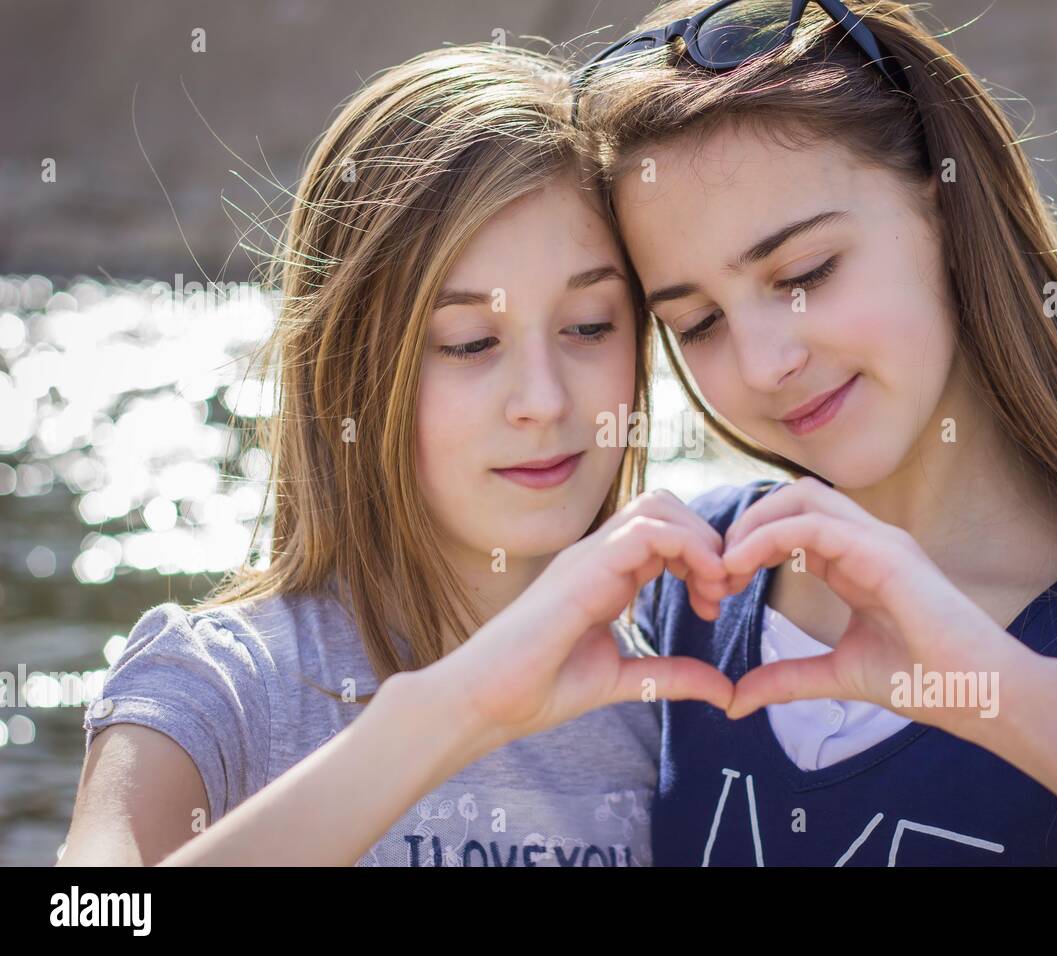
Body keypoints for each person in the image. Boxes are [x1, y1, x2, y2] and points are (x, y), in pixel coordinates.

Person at [572, 0, 1057, 864]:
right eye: (696, 324)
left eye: (806, 273)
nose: (764, 362)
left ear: (949, 214)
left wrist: (1007, 700)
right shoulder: (680, 596)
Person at [58, 43, 733, 867]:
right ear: (349, 372)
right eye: (470, 341)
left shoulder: (675, 691)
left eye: (590, 326)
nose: (545, 400)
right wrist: (447, 715)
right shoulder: (222, 688)